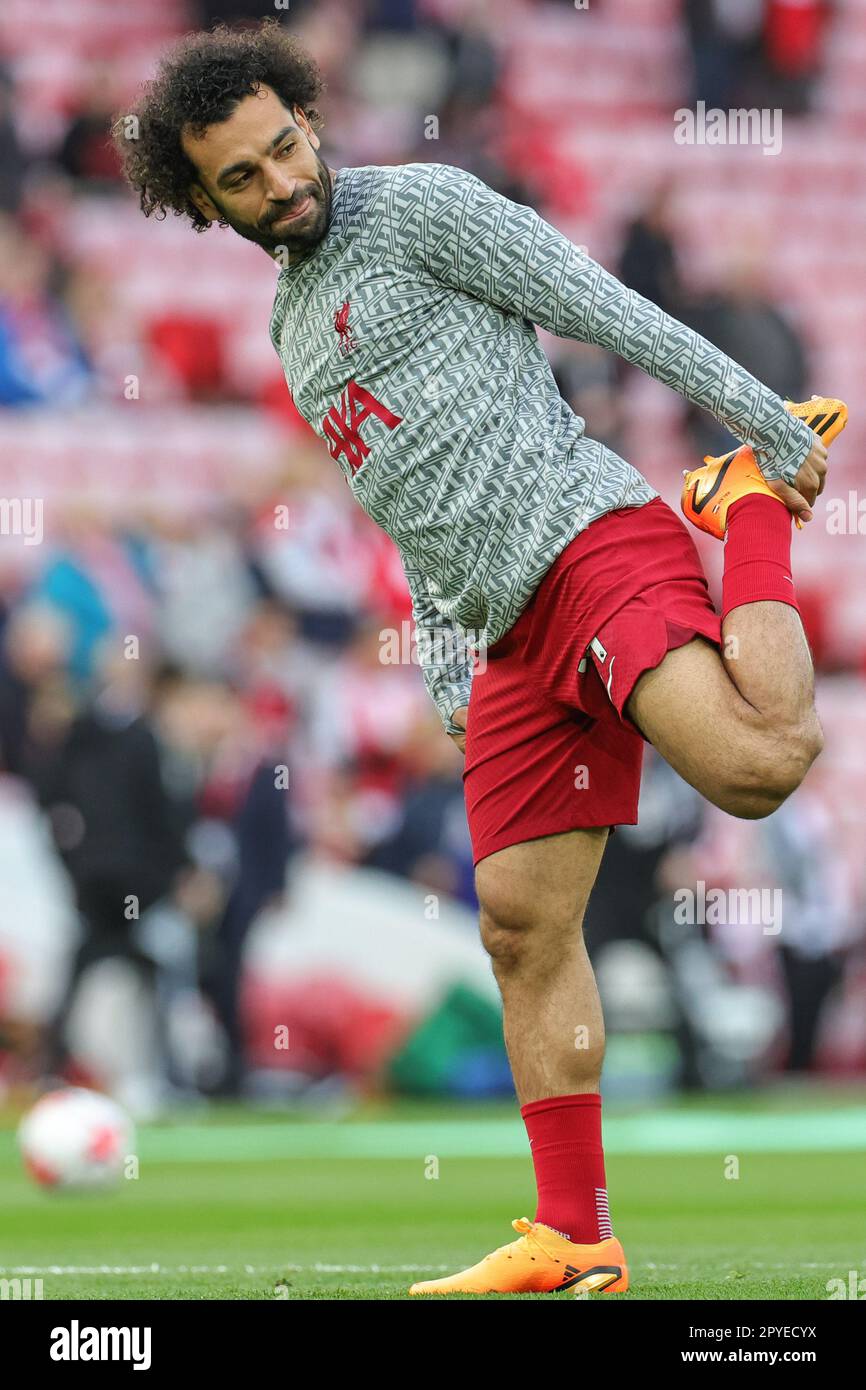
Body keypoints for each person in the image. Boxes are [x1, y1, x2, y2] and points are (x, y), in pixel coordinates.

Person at [114, 21, 842, 1296]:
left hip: (589, 541)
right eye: (242, 177)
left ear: (310, 117)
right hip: (500, 630)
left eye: (285, 146)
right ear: (202, 201)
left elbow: (599, 305)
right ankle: (575, 1236)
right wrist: (455, 681)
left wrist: (764, 427)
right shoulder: (292, 334)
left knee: (756, 766)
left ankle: (748, 516)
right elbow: (414, 514)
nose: (281, 181)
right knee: (517, 928)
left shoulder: (425, 208)